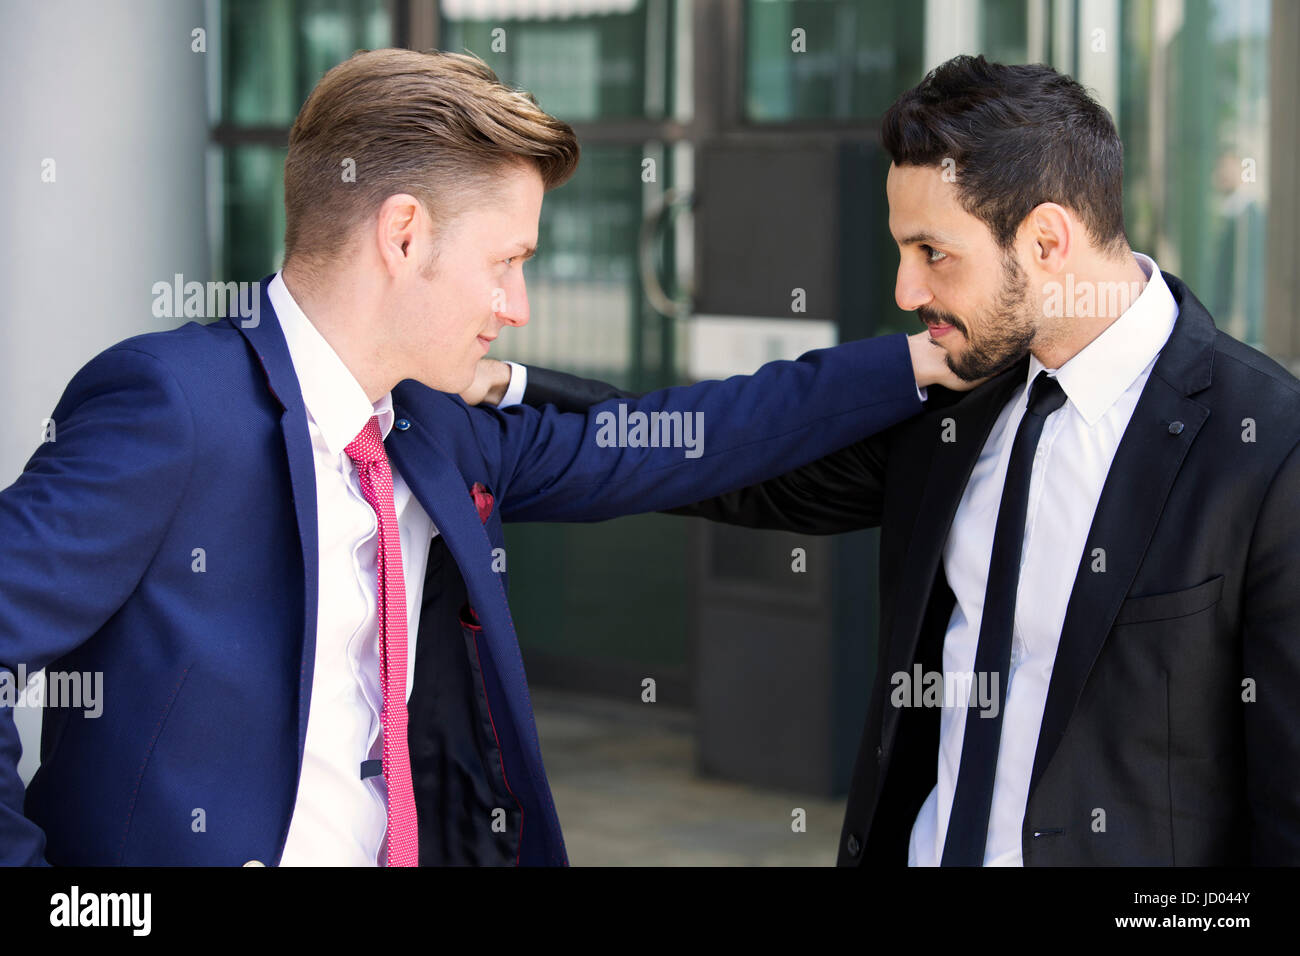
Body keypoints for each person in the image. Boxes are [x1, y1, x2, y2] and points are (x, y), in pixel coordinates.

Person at [0, 49, 972, 867]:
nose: (517, 305)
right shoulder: (175, 405)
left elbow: (680, 438)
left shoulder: (436, 425)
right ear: (404, 233)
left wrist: (908, 361)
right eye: (506, 260)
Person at [479, 55, 1300, 865]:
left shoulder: (1266, 446)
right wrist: (512, 392)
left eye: (932, 253)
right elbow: (731, 459)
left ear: (1048, 240)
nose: (907, 291)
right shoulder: (960, 399)